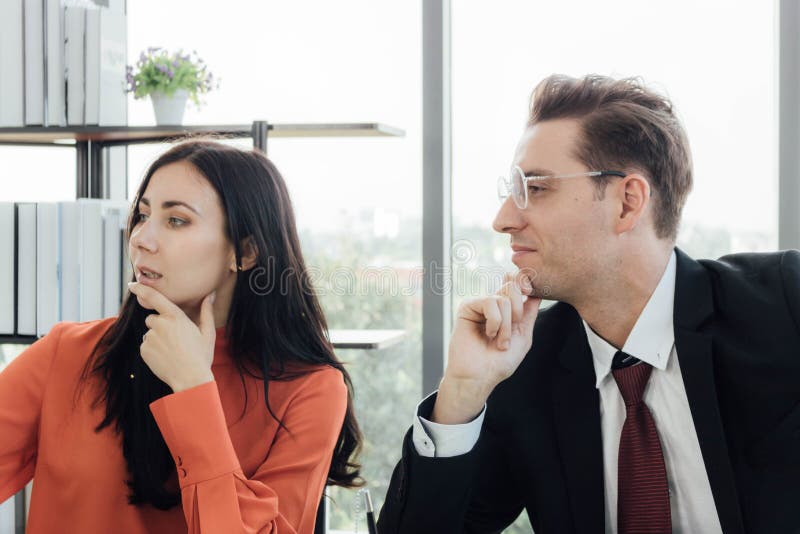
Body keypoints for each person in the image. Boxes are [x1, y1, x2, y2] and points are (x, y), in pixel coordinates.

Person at [378, 74, 800, 533]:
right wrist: (460, 395)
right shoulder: (523, 368)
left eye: (535, 188)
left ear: (627, 203)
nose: (503, 220)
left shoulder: (784, 305)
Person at [0, 140, 363, 533]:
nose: (141, 238)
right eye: (142, 215)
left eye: (176, 220)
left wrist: (193, 388)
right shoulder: (69, 353)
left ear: (245, 252)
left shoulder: (312, 390)